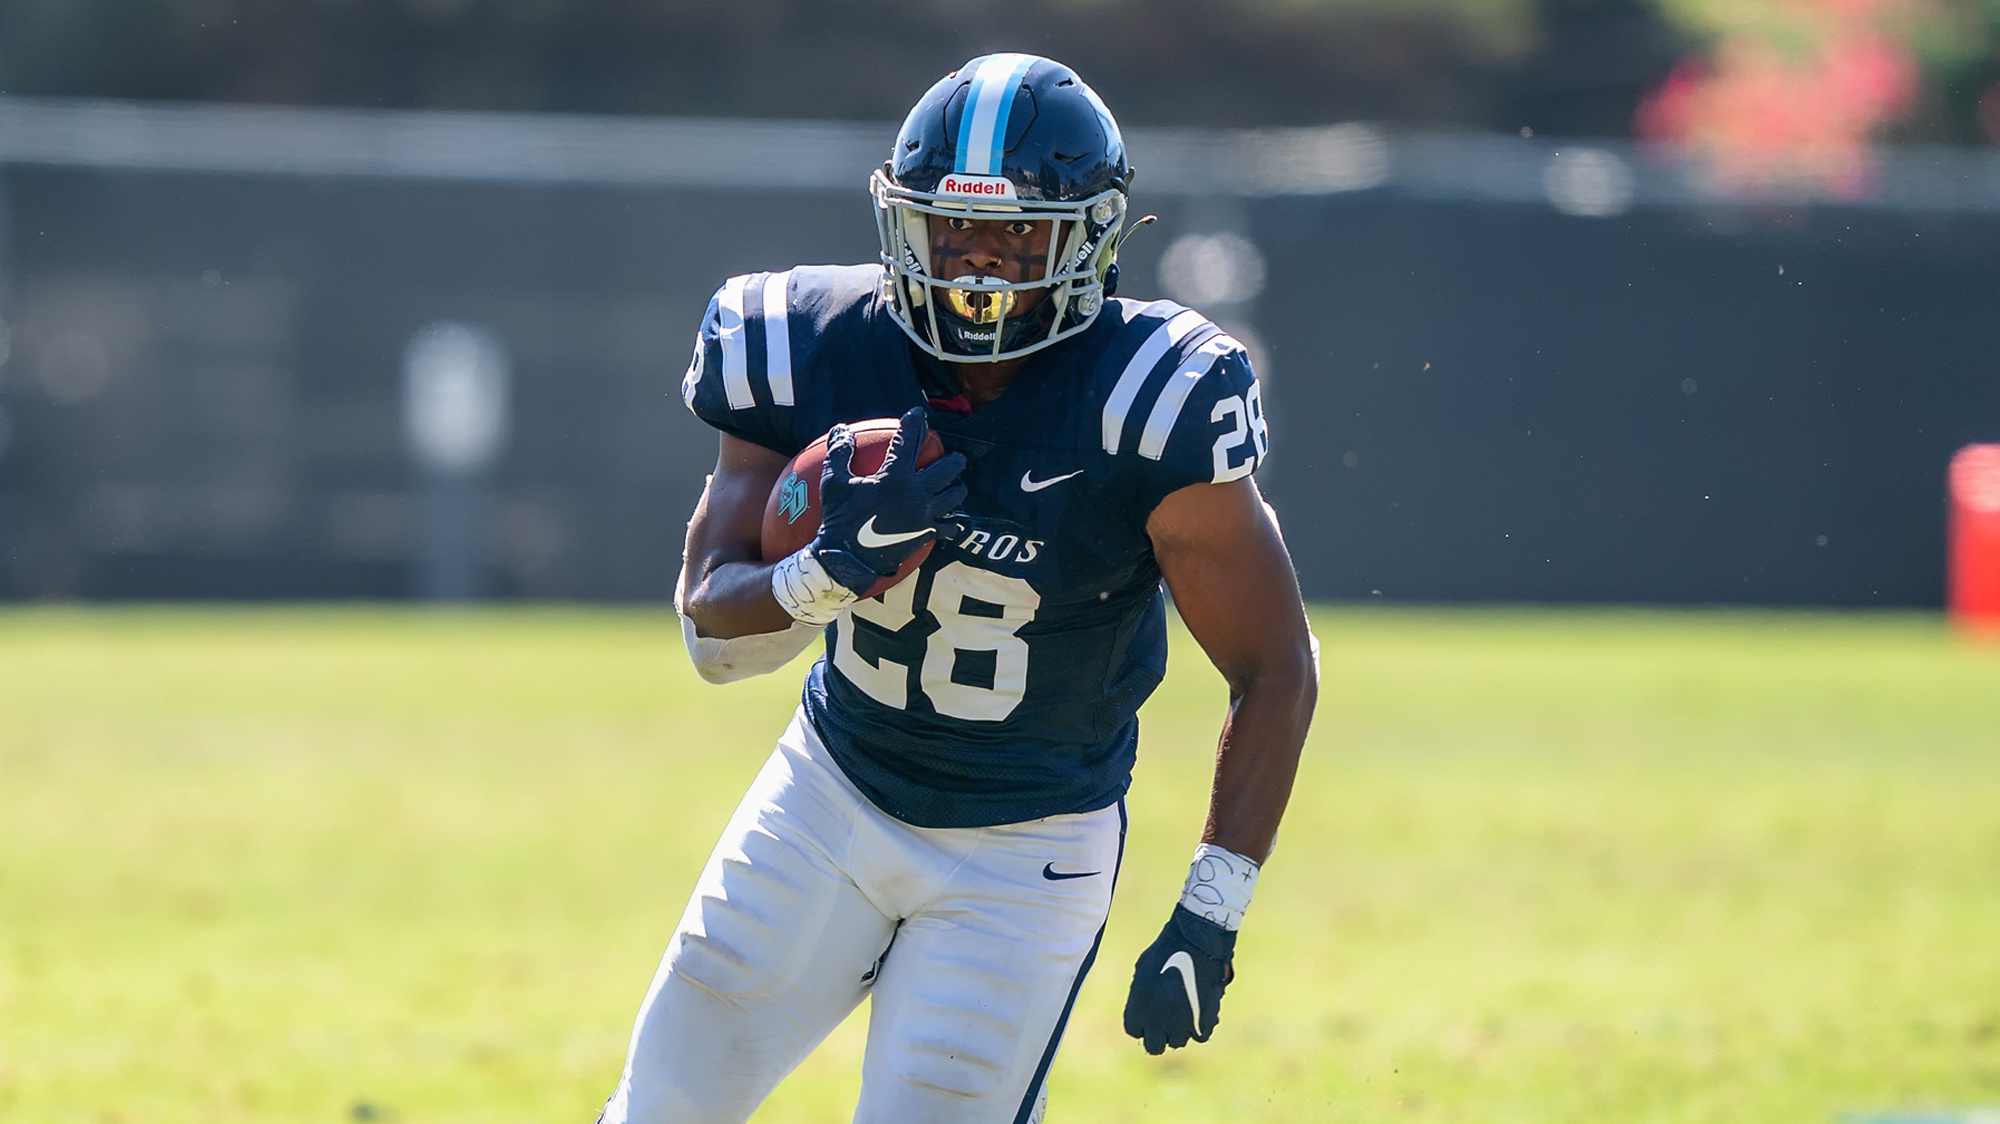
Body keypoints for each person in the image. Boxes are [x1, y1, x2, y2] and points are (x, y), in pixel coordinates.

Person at [597, 52, 1317, 1124]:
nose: (979, 262)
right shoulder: (810, 342)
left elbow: (1274, 669)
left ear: (1092, 238)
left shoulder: (1147, 399)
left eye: (1019, 233)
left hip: (1022, 853)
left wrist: (1211, 907)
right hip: (828, 797)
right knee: (660, 1108)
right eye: (952, 228)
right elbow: (715, 633)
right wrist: (822, 571)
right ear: (900, 223)